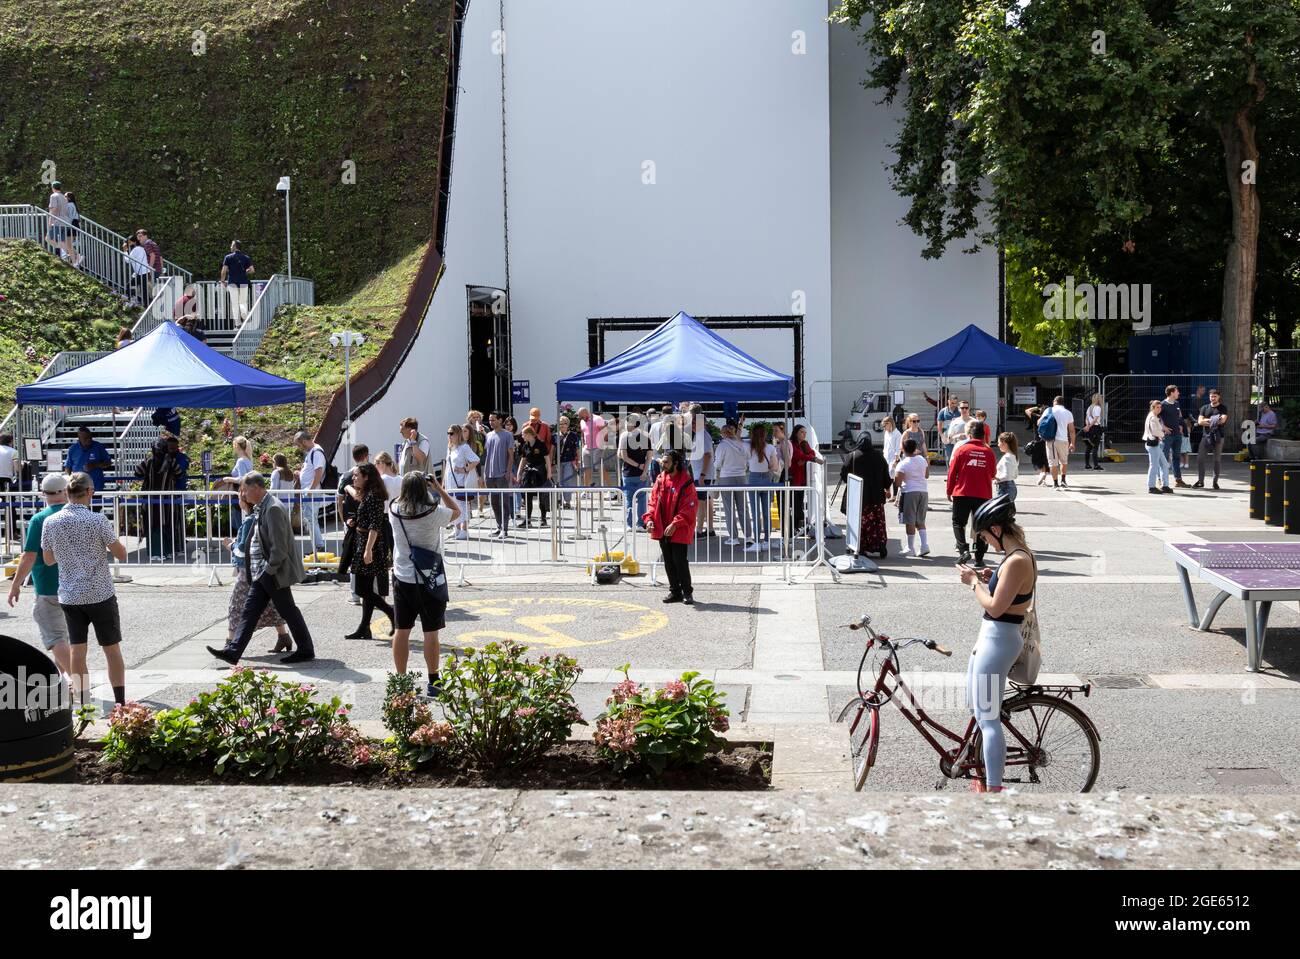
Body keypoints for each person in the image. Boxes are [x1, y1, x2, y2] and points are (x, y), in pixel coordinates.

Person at [958, 494, 1037, 793]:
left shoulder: (1017, 560)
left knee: (988, 719)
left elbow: (994, 607)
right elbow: (1008, 592)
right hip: (991, 639)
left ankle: (994, 788)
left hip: (1000, 639)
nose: (985, 543)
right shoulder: (1015, 556)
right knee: (978, 710)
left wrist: (974, 583)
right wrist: (991, 577)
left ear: (996, 529)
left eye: (984, 536)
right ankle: (983, 773)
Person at [40, 472, 128, 708]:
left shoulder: (51, 522)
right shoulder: (98, 520)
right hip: (100, 592)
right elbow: (121, 554)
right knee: (111, 649)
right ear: (89, 492)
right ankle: (120, 701)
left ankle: (84, 701)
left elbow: (48, 559)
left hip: (70, 594)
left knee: (77, 651)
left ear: (66, 493)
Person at [389, 471, 460, 696]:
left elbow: (396, 502)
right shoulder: (433, 512)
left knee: (402, 630)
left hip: (403, 576)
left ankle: (401, 681)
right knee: (431, 631)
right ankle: (433, 680)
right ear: (424, 488)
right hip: (430, 577)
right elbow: (457, 512)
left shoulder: (394, 510)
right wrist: (438, 487)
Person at [7, 474, 72, 677]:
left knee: (56, 638)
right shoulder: (79, 515)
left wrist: (16, 584)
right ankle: (62, 683)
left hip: (48, 586)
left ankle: (81, 682)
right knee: (66, 637)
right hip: (76, 586)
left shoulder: (40, 519)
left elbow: (29, 556)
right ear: (66, 491)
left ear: (43, 493)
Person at [223, 487, 292, 654]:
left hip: (247, 570)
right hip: (258, 569)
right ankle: (283, 636)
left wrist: (230, 545)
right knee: (270, 605)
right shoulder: (256, 516)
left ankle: (230, 644)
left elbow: (243, 549)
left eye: (240, 497)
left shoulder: (249, 521)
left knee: (236, 606)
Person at [344, 463, 395, 640]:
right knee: (365, 589)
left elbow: (375, 525)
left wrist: (368, 550)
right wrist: (355, 520)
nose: (354, 478)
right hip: (363, 542)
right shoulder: (368, 494)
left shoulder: (374, 496)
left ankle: (391, 612)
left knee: (363, 589)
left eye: (357, 475)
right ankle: (364, 628)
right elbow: (366, 515)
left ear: (366, 477)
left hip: (369, 545)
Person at [644, 449, 699, 604]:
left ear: (675, 463)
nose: (662, 463)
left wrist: (676, 523)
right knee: (668, 561)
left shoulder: (686, 481)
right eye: (662, 461)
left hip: (679, 528)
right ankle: (675, 591)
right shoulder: (660, 479)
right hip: (663, 527)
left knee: (680, 561)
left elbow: (689, 506)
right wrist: (650, 519)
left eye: (666, 461)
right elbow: (653, 502)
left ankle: (687, 592)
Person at [947, 420, 997, 567]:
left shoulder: (961, 450)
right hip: (983, 494)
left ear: (969, 435)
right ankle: (979, 558)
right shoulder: (989, 452)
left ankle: (963, 550)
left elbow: (952, 473)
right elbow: (993, 473)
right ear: (983, 436)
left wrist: (949, 490)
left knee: (958, 523)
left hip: (962, 493)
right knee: (980, 527)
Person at [840, 433, 892, 559]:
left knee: (860, 522)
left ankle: (860, 547)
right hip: (876, 497)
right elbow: (886, 476)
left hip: (858, 496)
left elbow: (843, 474)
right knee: (877, 522)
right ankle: (880, 546)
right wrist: (887, 487)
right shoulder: (879, 457)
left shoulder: (852, 456)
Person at [134, 438, 183, 560]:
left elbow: (137, 472)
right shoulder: (171, 461)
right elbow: (179, 474)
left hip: (151, 500)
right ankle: (167, 552)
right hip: (167, 500)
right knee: (167, 524)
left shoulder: (148, 461)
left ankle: (156, 553)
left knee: (153, 524)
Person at [335, 444, 371, 605]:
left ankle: (355, 594)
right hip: (368, 522)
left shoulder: (345, 476)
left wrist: (343, 519)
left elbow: (339, 499)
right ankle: (370, 593)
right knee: (369, 556)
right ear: (366, 456)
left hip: (350, 522)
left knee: (354, 557)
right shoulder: (371, 474)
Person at [892, 438, 930, 557]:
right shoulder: (922, 460)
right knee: (920, 520)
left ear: (903, 449)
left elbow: (897, 483)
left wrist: (894, 468)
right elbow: (927, 475)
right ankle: (924, 545)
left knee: (910, 520)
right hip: (923, 491)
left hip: (909, 492)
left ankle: (910, 547)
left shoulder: (902, 464)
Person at [714, 421, 750, 547]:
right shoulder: (743, 444)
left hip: (726, 477)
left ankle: (733, 537)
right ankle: (748, 535)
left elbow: (717, 464)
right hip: (741, 477)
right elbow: (748, 459)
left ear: (724, 433)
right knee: (743, 507)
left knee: (729, 508)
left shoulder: (722, 446)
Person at [745, 424, 780, 553]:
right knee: (766, 512)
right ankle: (766, 540)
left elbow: (737, 439)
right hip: (766, 479)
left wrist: (740, 425)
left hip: (753, 479)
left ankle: (757, 542)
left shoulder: (748, 447)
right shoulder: (771, 448)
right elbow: (775, 467)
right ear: (765, 435)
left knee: (755, 513)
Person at [482, 412, 514, 539]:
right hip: (489, 474)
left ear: (500, 420)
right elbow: (488, 454)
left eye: (493, 420)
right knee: (494, 502)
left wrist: (508, 471)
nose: (491, 422)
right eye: (489, 420)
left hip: (502, 474)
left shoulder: (508, 435)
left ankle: (505, 530)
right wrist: (485, 473)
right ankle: (499, 526)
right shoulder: (489, 435)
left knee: (504, 502)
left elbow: (511, 456)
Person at [445, 425, 480, 538]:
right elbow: (447, 466)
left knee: (462, 505)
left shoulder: (464, 447)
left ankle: (464, 530)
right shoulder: (450, 448)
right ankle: (456, 528)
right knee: (452, 505)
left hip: (459, 482)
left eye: (452, 433)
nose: (449, 436)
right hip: (450, 482)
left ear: (458, 434)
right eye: (448, 433)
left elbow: (476, 460)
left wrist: (464, 469)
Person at [295, 430, 327, 552]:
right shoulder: (313, 452)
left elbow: (319, 471)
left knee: (310, 519)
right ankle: (317, 546)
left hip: (311, 492)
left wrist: (311, 489)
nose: (299, 448)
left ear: (304, 442)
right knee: (310, 519)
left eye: (299, 445)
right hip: (309, 490)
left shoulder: (316, 452)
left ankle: (319, 546)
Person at [789, 424, 823, 536]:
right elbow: (797, 455)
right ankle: (794, 527)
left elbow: (811, 452)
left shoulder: (805, 443)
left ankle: (798, 526)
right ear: (796, 433)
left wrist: (804, 459)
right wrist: (810, 458)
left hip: (803, 479)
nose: (804, 434)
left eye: (805, 432)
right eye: (801, 432)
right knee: (795, 505)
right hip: (794, 479)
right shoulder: (792, 444)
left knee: (800, 503)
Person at [516, 424, 553, 527]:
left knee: (542, 496)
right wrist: (519, 473)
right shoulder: (525, 445)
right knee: (527, 497)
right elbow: (523, 460)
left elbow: (547, 459)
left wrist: (549, 473)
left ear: (529, 434)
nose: (522, 436)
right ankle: (527, 520)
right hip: (528, 473)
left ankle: (543, 519)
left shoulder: (540, 444)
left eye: (523, 434)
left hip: (540, 472)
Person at [618, 415, 651, 530]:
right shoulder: (646, 436)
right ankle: (641, 524)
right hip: (641, 473)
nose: (626, 425)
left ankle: (629, 524)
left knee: (629, 499)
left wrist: (638, 466)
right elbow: (649, 457)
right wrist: (644, 471)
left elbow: (623, 456)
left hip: (628, 472)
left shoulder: (624, 436)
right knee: (642, 499)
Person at [687, 406, 715, 538]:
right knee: (705, 501)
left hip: (702, 475)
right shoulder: (699, 435)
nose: (692, 425)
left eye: (695, 422)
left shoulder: (703, 435)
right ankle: (709, 529)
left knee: (701, 502)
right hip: (701, 474)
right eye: (692, 422)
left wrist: (703, 475)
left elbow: (708, 455)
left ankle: (699, 530)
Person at [1195, 388, 1229, 490]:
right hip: (1206, 436)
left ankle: (1215, 482)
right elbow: (1200, 422)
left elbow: (1222, 421)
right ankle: (1200, 481)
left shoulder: (1223, 408)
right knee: (1200, 459)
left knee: (1217, 460)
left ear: (1219, 397)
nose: (1212, 398)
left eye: (1214, 396)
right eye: (1211, 396)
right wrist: (1214, 419)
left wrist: (1207, 420)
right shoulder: (1204, 408)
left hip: (1219, 436)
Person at [1041, 396, 1076, 489]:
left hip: (1051, 440)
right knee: (1064, 461)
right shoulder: (1068, 413)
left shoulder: (1048, 410)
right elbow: (1072, 430)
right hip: (1064, 440)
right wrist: (1072, 443)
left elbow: (1039, 423)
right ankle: (1063, 481)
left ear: (1055, 402)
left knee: (1053, 463)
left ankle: (1055, 483)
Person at [1160, 385, 1189, 488]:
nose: (1179, 393)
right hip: (1167, 436)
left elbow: (1179, 416)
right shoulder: (1162, 404)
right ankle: (1161, 480)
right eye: (1177, 391)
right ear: (1172, 393)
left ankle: (1178, 480)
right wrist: (1163, 427)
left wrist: (1181, 426)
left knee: (1176, 457)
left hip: (1177, 435)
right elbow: (1155, 417)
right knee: (1164, 458)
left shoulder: (1177, 403)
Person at [220, 240, 256, 322]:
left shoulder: (228, 257)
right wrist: (246, 271)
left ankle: (237, 323)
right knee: (243, 302)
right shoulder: (246, 258)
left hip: (232, 283)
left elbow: (224, 271)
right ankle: (245, 318)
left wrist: (222, 281)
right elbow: (252, 270)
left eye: (231, 245)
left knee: (234, 303)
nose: (230, 247)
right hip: (243, 282)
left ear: (235, 246)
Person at [1143, 399, 1172, 494]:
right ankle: (1151, 486)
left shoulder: (1154, 416)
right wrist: (1162, 434)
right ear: (1153, 408)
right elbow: (1155, 432)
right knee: (1154, 465)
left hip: (1155, 444)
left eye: (1160, 407)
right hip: (1153, 444)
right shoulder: (1153, 418)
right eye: (1157, 407)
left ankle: (1165, 485)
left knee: (1164, 464)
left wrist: (1161, 433)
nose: (1159, 409)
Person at [47, 182, 77, 264]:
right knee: (63, 242)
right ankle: (75, 258)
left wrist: (50, 221)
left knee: (48, 239)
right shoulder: (64, 197)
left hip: (58, 222)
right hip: (66, 223)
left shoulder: (53, 196)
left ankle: (75, 255)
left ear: (53, 187)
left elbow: (54, 209)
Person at [555, 415, 582, 509]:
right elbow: (552, 449)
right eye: (560, 424)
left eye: (564, 424)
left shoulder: (573, 435)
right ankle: (559, 500)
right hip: (558, 461)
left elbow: (577, 449)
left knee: (567, 481)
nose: (562, 425)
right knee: (559, 481)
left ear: (568, 424)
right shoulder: (556, 436)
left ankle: (567, 502)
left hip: (569, 461)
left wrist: (578, 461)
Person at [577, 407, 606, 487]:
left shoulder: (597, 419)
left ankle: (607, 488)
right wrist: (583, 445)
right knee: (586, 469)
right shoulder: (582, 421)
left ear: (586, 413)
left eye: (581, 416)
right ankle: (586, 490)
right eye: (580, 417)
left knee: (600, 468)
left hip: (597, 447)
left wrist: (602, 445)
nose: (581, 418)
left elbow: (604, 432)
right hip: (586, 448)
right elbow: (583, 434)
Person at [124, 237, 151, 306]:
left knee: (128, 286)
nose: (129, 244)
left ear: (135, 242)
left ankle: (130, 302)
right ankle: (147, 305)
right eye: (128, 243)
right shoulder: (141, 248)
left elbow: (128, 260)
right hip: (144, 271)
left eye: (130, 242)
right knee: (143, 290)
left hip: (141, 273)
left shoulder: (135, 249)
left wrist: (125, 250)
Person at [1082, 393, 1105, 470]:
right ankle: (1096, 465)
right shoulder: (1098, 408)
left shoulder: (1089, 407)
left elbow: (1086, 418)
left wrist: (1087, 426)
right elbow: (1095, 419)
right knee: (1095, 447)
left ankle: (1087, 464)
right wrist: (1090, 426)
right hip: (1095, 428)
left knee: (1088, 447)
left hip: (1089, 428)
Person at [995, 432, 1019, 502]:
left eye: (999, 442)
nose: (998, 445)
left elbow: (1006, 476)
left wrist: (997, 479)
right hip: (1010, 486)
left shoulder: (1007, 457)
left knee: (1002, 511)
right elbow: (1015, 475)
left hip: (1005, 487)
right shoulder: (1014, 456)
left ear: (1004, 443)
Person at [937, 395, 961, 462]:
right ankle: (950, 471)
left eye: (955, 403)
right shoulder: (943, 411)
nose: (954, 405)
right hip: (947, 437)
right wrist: (942, 436)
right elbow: (939, 425)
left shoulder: (960, 411)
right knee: (949, 456)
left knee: (958, 456)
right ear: (948, 401)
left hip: (958, 437)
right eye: (952, 403)